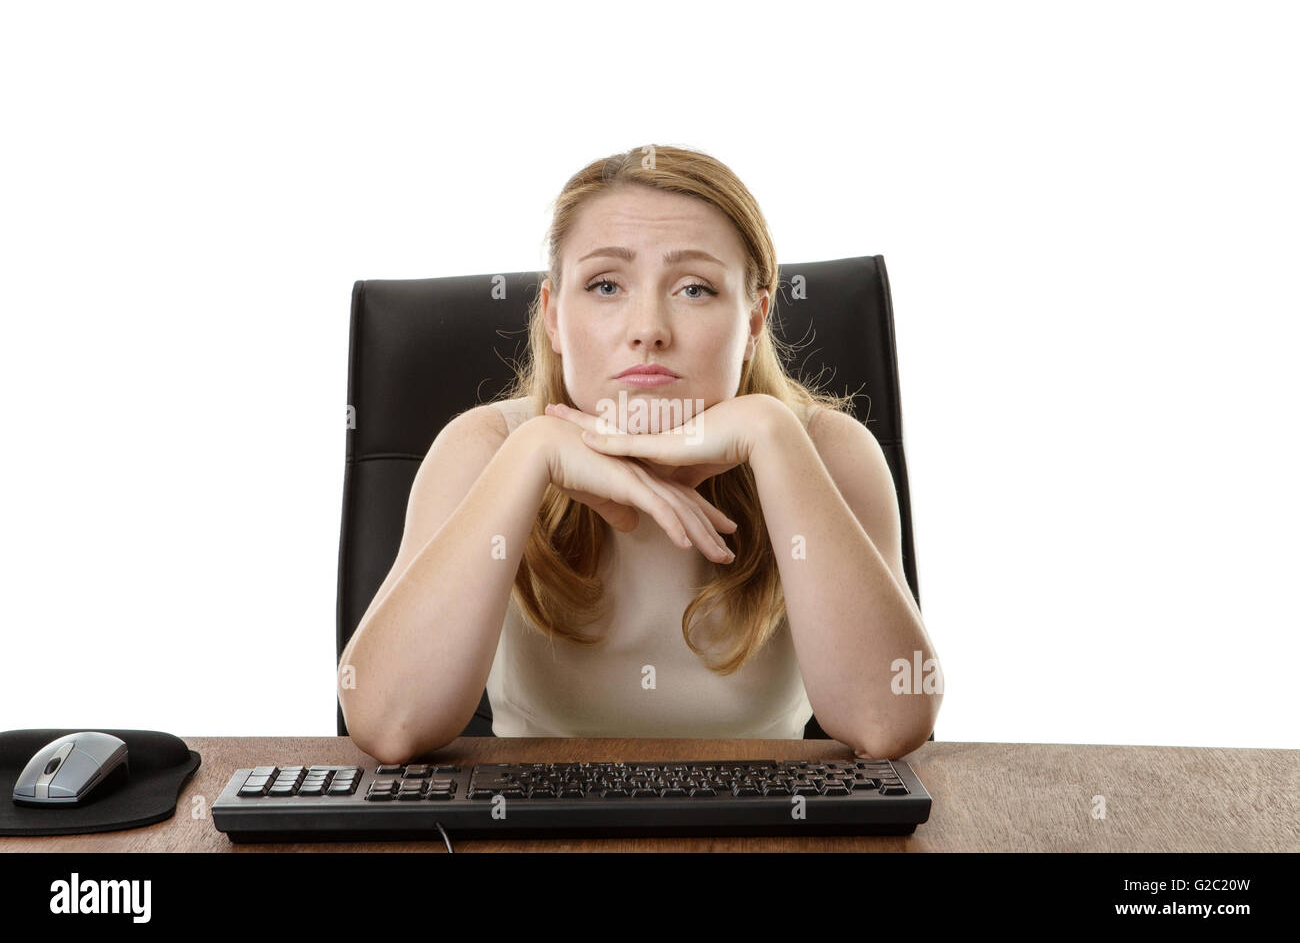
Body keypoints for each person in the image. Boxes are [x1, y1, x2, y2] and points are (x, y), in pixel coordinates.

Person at [339, 144, 941, 763]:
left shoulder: (828, 452)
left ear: (755, 320)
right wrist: (532, 454)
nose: (649, 327)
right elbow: (389, 725)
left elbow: (886, 723)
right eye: (605, 285)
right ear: (551, 316)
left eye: (694, 288)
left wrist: (772, 432)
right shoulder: (484, 449)